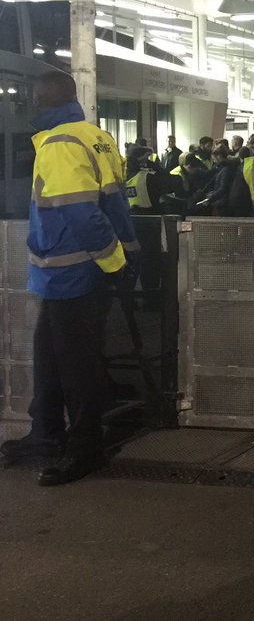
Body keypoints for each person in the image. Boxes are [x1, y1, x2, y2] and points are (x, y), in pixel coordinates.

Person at [0, 71, 137, 484]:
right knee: (50, 357)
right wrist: (125, 259)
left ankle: (85, 448)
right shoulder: (94, 135)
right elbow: (115, 203)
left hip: (72, 273)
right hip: (71, 274)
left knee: (76, 367)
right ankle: (46, 433)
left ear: (41, 101)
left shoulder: (59, 145)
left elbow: (81, 213)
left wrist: (113, 264)